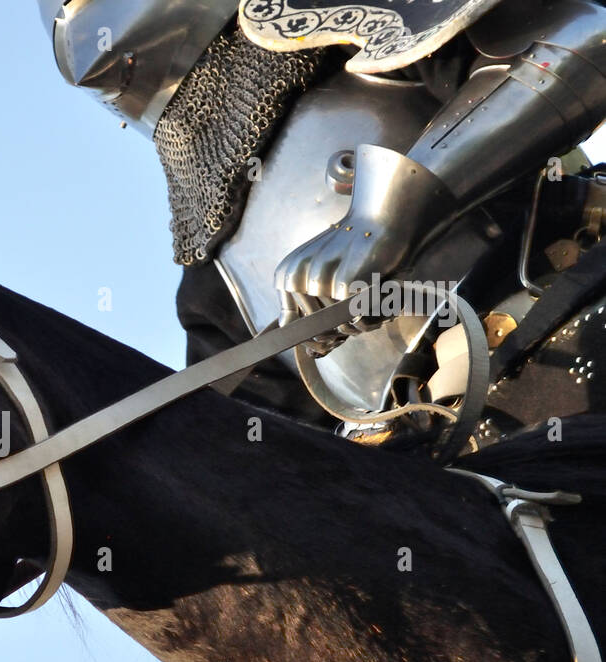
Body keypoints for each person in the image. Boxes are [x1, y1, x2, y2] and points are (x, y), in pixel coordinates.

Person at [39, 0, 606, 448]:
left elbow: (574, 41)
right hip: (458, 451)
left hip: (568, 280)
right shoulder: (213, 287)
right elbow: (269, 465)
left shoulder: (371, 25)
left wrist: (389, 217)